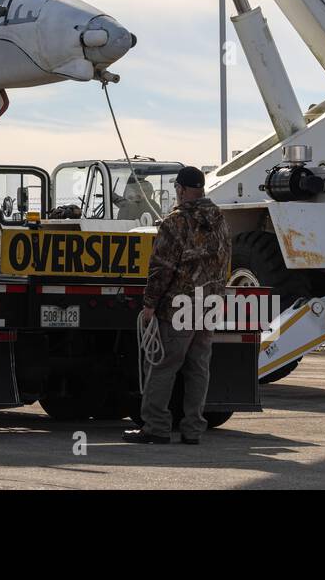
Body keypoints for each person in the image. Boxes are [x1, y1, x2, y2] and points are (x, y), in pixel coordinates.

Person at [124, 166, 230, 445]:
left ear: (181, 190)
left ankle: (156, 427)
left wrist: (149, 304)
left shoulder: (175, 222)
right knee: (198, 368)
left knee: (162, 366)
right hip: (210, 305)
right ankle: (193, 429)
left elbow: (162, 267)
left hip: (179, 306)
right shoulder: (219, 219)